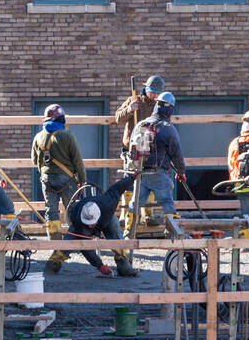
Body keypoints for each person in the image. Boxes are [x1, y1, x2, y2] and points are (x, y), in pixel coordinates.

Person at [31, 104, 87, 270]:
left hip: (46, 179)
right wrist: (82, 180)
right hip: (66, 180)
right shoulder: (67, 136)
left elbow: (35, 161)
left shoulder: (38, 137)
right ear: (61, 119)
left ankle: (55, 244)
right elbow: (78, 161)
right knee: (73, 211)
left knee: (51, 211)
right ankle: (71, 243)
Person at [58, 174, 137, 278]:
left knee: (117, 238)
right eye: (89, 224)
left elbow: (118, 187)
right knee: (67, 243)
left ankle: (124, 265)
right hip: (81, 224)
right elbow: (86, 248)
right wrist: (100, 265)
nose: (91, 226)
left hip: (106, 218)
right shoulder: (78, 221)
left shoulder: (108, 203)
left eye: (92, 224)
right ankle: (54, 262)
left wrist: (132, 178)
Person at [127, 90, 187, 220]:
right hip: (157, 173)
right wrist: (181, 171)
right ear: (170, 109)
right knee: (166, 202)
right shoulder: (167, 128)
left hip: (139, 173)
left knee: (135, 203)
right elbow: (176, 154)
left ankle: (128, 233)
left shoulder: (140, 124)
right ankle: (172, 232)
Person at [114, 73, 166, 165]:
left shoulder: (158, 106)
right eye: (153, 92)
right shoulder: (134, 100)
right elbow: (118, 119)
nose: (155, 95)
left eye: (158, 93)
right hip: (131, 148)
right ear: (146, 90)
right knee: (131, 176)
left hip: (150, 149)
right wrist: (129, 109)